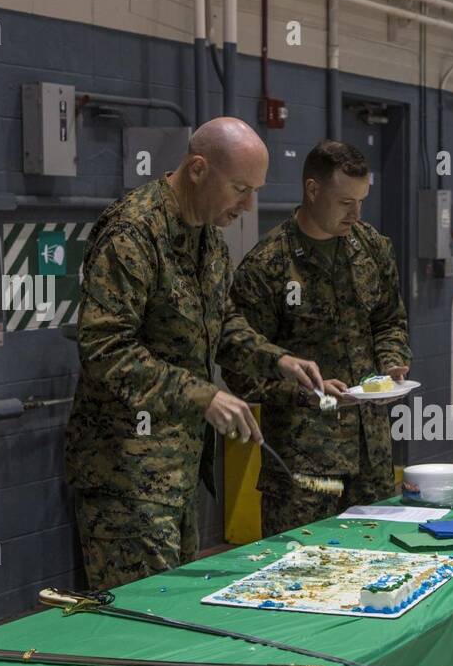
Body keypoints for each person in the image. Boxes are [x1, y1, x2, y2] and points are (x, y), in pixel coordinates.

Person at [65, 118, 325, 592]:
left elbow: (223, 324)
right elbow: (104, 349)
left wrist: (277, 360)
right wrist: (203, 396)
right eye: (241, 189)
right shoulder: (134, 233)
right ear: (198, 169)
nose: (248, 206)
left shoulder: (207, 236)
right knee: (143, 622)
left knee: (175, 613)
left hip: (179, 470)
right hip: (127, 473)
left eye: (255, 192)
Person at [227, 139, 411, 535]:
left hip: (371, 457)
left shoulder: (372, 249)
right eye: (346, 202)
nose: (356, 214)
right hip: (304, 469)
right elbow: (241, 370)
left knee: (376, 566)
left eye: (362, 201)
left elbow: (389, 319)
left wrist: (391, 357)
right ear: (313, 190)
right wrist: (306, 390)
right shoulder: (268, 265)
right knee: (300, 574)